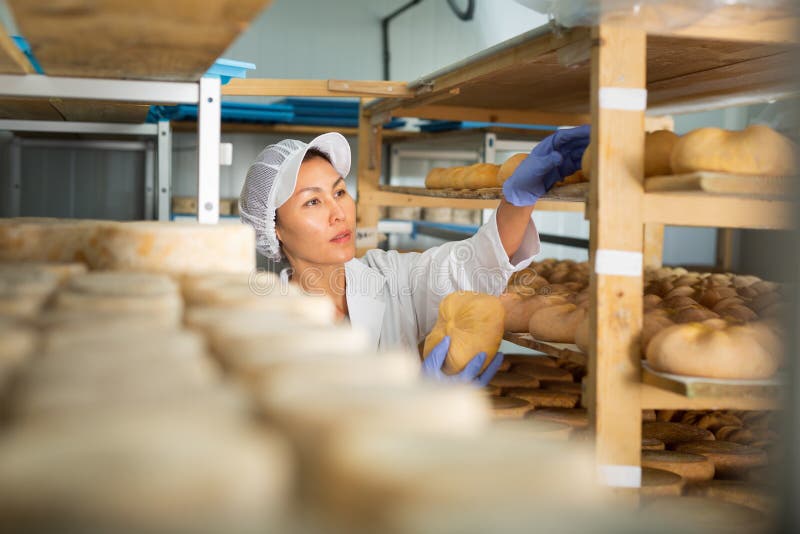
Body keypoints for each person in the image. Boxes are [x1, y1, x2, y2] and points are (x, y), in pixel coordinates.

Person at [239, 127, 589, 385]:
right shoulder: (268, 326)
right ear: (275, 229)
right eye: (313, 201)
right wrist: (418, 404)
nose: (339, 213)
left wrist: (519, 199)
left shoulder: (388, 275)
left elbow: (472, 263)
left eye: (340, 192)